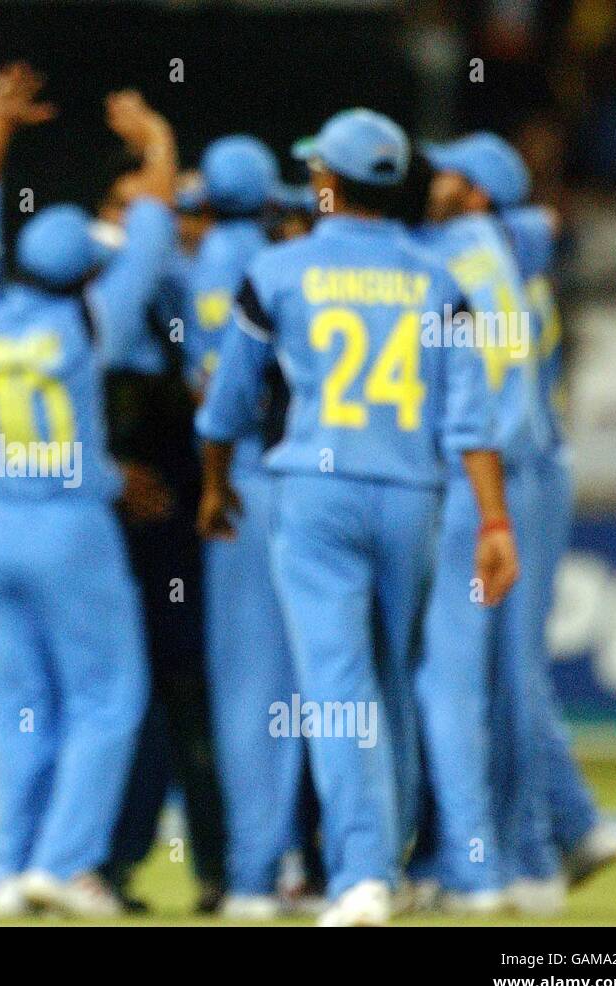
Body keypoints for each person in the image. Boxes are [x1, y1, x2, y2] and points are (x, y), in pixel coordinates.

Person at [196, 109, 518, 926]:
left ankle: (363, 873)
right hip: (414, 495)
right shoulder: (438, 279)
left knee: (337, 687)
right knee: (391, 681)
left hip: (315, 491)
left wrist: (214, 484)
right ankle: (393, 862)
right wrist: (494, 522)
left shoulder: (279, 270)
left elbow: (227, 406)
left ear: (327, 183)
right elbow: (470, 418)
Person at [0, 63, 177, 918]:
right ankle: (68, 863)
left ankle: (9, 869)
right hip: (72, 523)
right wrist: (155, 143)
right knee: (109, 694)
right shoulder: (88, 321)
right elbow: (151, 233)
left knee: (24, 702)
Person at [411, 132, 562, 914]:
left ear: (473, 193)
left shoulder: (433, 254)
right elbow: (545, 224)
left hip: (469, 476)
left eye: (446, 172)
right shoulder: (503, 242)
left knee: (449, 682)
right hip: (519, 471)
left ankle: (472, 863)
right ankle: (520, 851)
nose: (427, 178)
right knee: (504, 679)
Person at [182, 136, 314, 919]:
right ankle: (278, 866)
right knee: (300, 687)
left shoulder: (197, 266)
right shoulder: (270, 266)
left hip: (230, 482)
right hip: (270, 475)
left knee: (246, 690)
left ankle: (252, 869)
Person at [96, 156, 228, 916]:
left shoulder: (188, 294)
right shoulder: (98, 292)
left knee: (190, 694)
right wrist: (110, 472)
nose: (135, 220)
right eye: (124, 203)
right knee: (137, 698)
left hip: (183, 526)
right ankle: (109, 863)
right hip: (118, 530)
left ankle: (222, 867)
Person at [496, 149, 616, 889]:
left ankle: (555, 831)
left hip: (515, 476)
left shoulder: (497, 287)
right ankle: (560, 828)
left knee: (507, 665)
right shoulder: (530, 282)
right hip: (542, 471)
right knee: (513, 663)